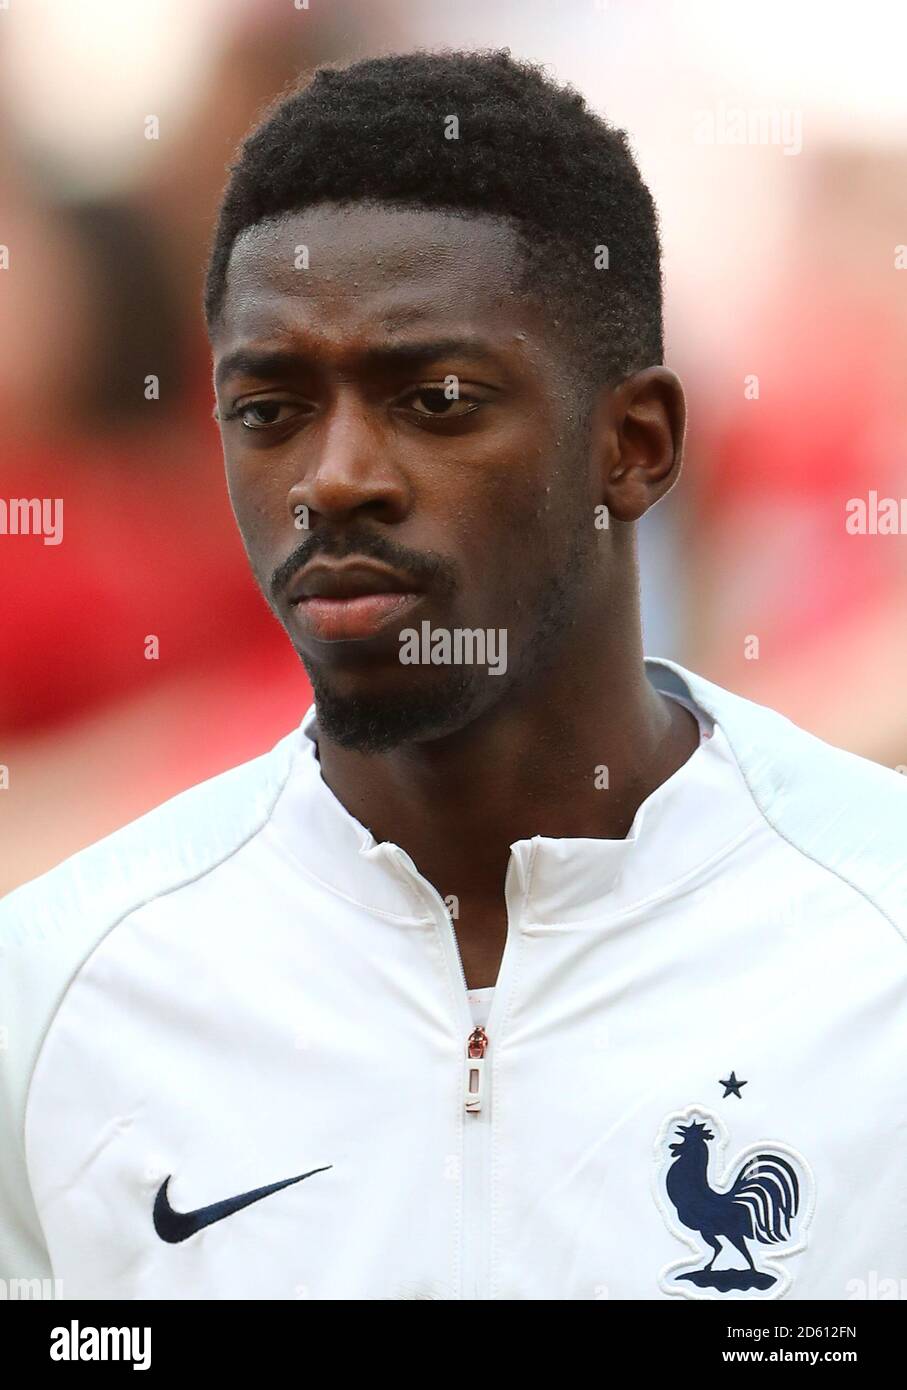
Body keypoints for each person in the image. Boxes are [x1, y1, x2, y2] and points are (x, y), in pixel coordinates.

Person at [1, 50, 904, 1303]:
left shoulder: (876, 935)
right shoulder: (59, 989)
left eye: (434, 398)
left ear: (633, 447)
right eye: (269, 410)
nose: (333, 478)